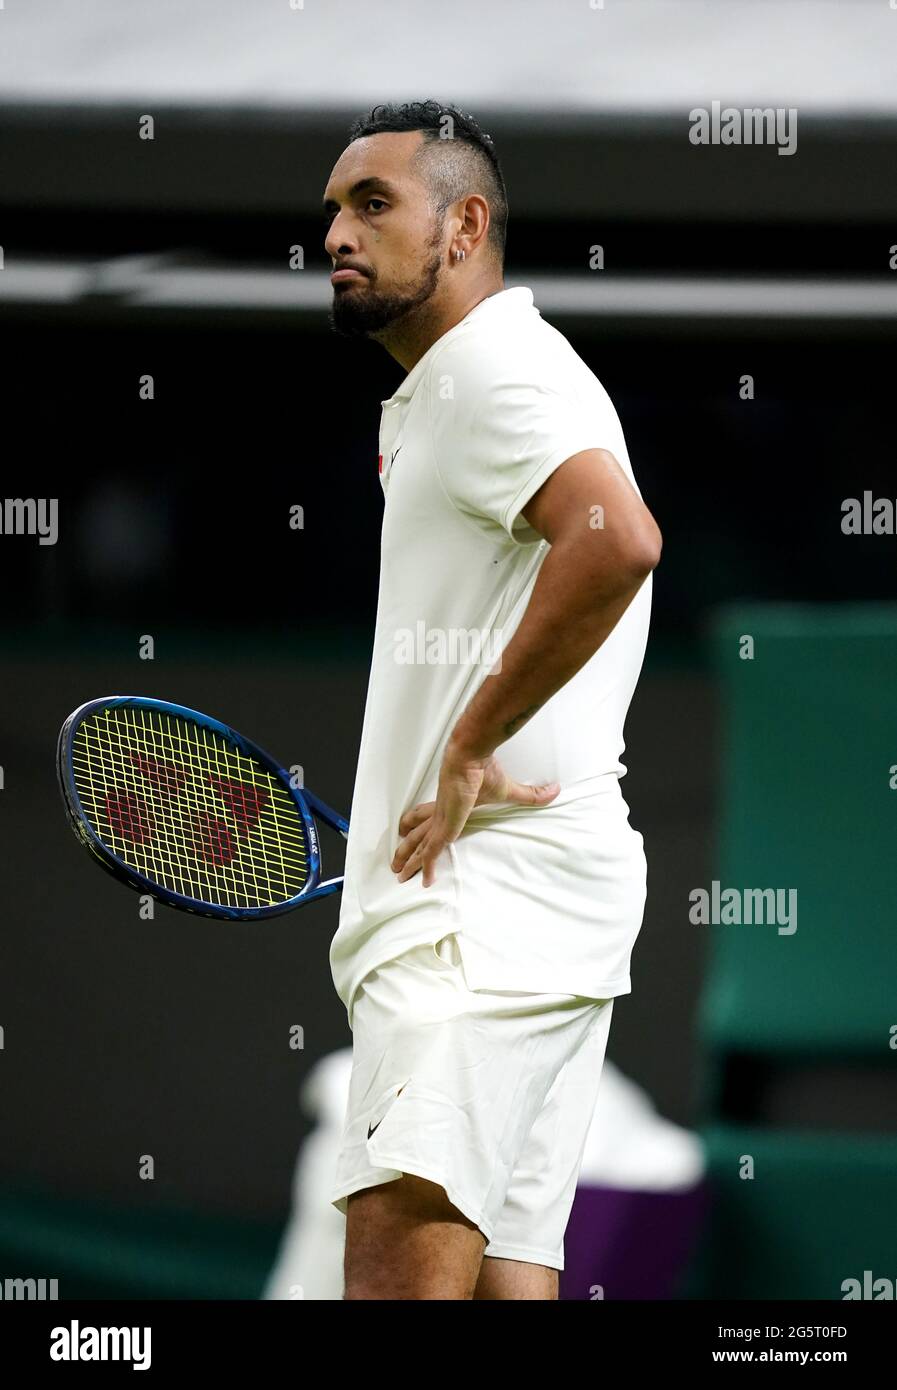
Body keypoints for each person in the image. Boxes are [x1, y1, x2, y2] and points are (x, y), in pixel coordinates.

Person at [322, 100, 662, 1300]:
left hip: (470, 922)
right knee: (508, 1285)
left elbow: (618, 540)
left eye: (373, 204)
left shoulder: (488, 374)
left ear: (464, 226)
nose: (337, 234)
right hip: (547, 920)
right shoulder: (470, 386)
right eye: (331, 211)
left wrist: (465, 744)